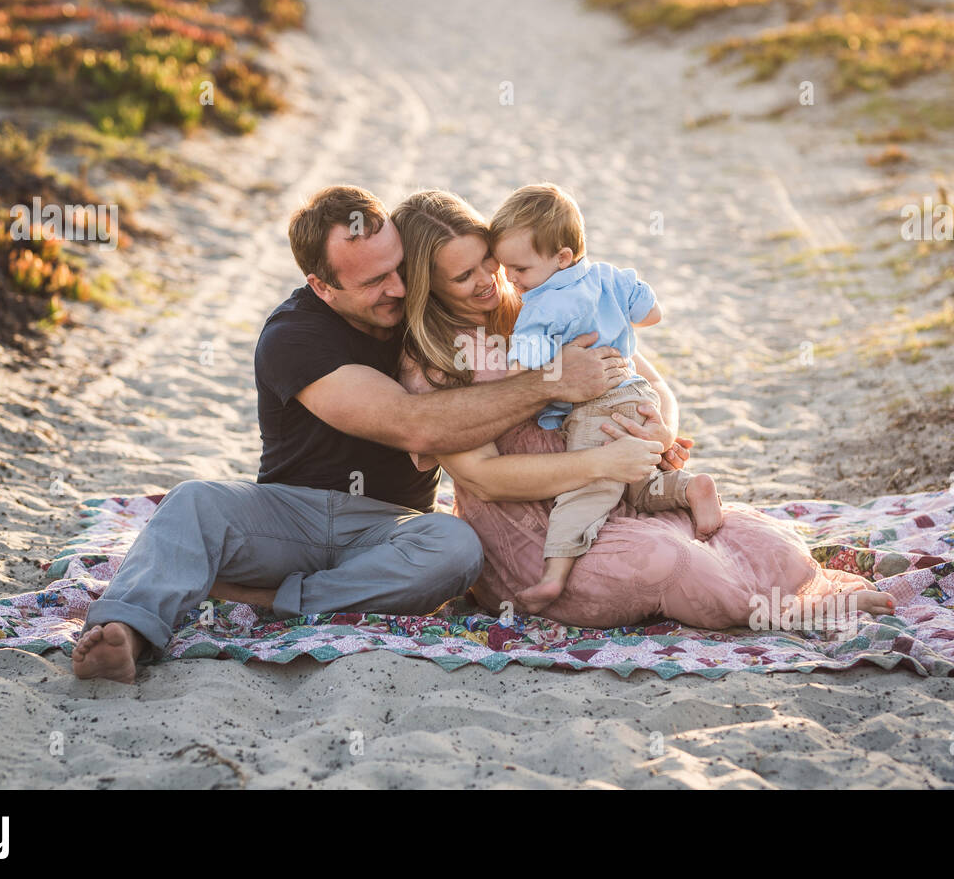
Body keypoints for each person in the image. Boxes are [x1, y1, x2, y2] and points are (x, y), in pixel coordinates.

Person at [72, 184, 657, 682]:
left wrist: (651, 419)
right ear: (323, 286)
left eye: (399, 269)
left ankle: (269, 600)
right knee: (193, 501)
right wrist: (549, 385)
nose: (398, 290)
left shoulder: (429, 315)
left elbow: (628, 359)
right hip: (288, 515)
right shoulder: (294, 337)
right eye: (375, 281)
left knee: (456, 548)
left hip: (391, 526)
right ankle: (124, 630)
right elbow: (413, 425)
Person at [393, 188, 896, 631]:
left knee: (763, 543)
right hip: (534, 540)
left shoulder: (536, 298)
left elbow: (648, 378)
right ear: (427, 285)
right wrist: (599, 464)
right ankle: (776, 612)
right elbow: (484, 479)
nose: (489, 281)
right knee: (667, 560)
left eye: (490, 263)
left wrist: (658, 432)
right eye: (464, 276)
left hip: (622, 497)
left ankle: (784, 591)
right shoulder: (435, 361)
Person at [490, 183, 723, 612]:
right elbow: (652, 313)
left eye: (518, 270)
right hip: (636, 391)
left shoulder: (540, 306)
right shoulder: (608, 277)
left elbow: (524, 368)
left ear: (561, 258)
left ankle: (553, 577)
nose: (511, 280)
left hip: (595, 407)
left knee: (586, 492)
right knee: (637, 483)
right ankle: (690, 488)